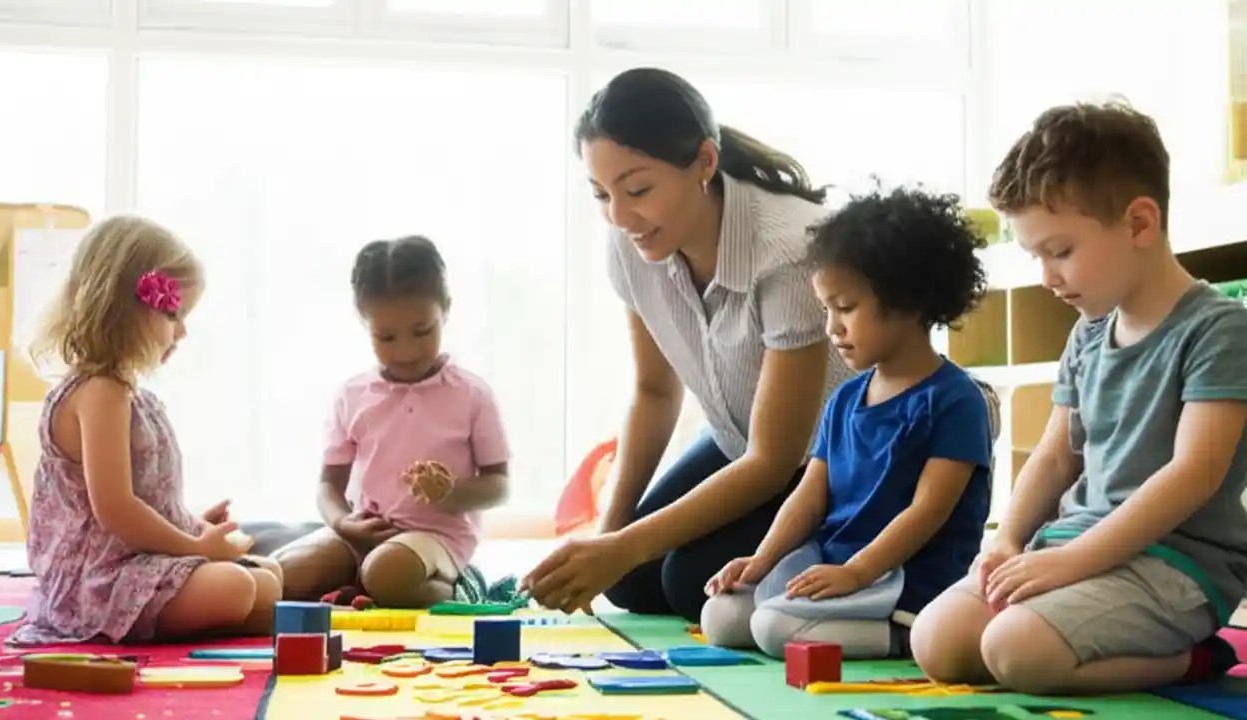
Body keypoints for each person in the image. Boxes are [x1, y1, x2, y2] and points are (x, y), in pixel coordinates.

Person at [911, 102, 1247, 695]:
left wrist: (1070, 563)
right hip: (1073, 545)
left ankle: (1193, 659)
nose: (1047, 277)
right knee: (938, 641)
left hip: (1175, 565)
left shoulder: (1219, 329)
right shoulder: (1089, 332)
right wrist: (1009, 540)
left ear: (1140, 224)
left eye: (1059, 251)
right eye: (1035, 256)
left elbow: (1194, 473)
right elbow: (1054, 456)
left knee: (1015, 652)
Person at [523, 67, 854, 623]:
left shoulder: (790, 252)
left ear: (704, 161)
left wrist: (624, 545)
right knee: (628, 580)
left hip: (831, 460)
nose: (620, 216)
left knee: (683, 582)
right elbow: (654, 391)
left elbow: (775, 460)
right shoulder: (630, 244)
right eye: (602, 194)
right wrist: (609, 536)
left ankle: (840, 548)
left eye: (638, 189)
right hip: (737, 438)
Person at [701, 186, 995, 658]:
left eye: (846, 308)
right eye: (826, 310)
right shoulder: (846, 398)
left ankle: (904, 636)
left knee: (775, 629)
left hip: (904, 580)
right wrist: (762, 560)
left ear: (910, 302)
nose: (832, 328)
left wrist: (858, 573)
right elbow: (809, 497)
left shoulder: (957, 400)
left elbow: (928, 512)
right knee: (723, 615)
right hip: (836, 565)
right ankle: (827, 619)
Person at [10, 215, 283, 645]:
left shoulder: (128, 394)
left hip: (138, 559)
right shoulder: (100, 392)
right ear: (125, 307)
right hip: (100, 581)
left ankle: (205, 614)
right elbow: (116, 509)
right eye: (174, 313)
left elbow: (145, 496)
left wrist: (191, 523)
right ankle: (175, 619)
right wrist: (197, 549)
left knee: (269, 576)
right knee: (240, 586)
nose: (182, 330)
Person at [273, 236, 511, 608]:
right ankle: (362, 588)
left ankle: (462, 588)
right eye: (386, 336)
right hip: (363, 534)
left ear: (445, 310)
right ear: (364, 323)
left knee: (386, 572)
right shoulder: (352, 394)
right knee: (282, 574)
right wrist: (342, 523)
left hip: (436, 538)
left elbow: (499, 485)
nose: (406, 350)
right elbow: (328, 486)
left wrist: (452, 494)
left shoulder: (471, 394)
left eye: (422, 331)